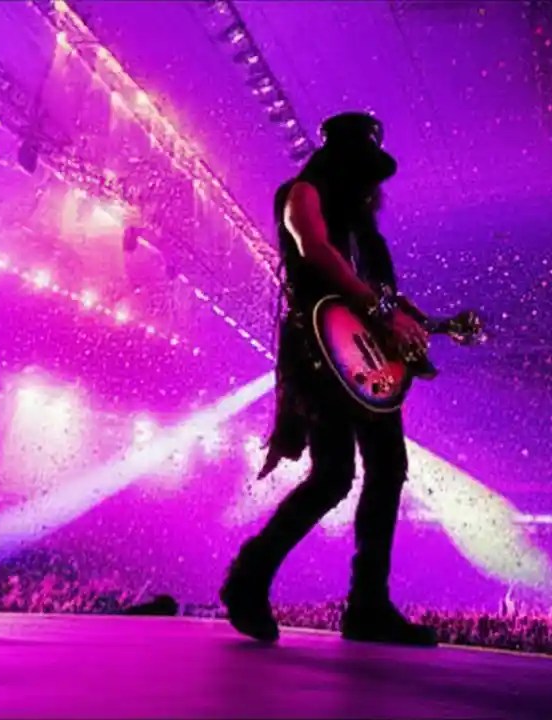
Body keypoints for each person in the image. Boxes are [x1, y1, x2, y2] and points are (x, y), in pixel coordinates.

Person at [220, 112, 437, 646]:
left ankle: (368, 605)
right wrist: (383, 313)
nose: (372, 188)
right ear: (344, 163)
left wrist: (407, 329)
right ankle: (248, 578)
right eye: (364, 171)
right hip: (319, 352)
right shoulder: (303, 193)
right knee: (334, 475)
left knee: (388, 468)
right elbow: (315, 250)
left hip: (367, 365)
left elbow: (381, 298)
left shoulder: (369, 236)